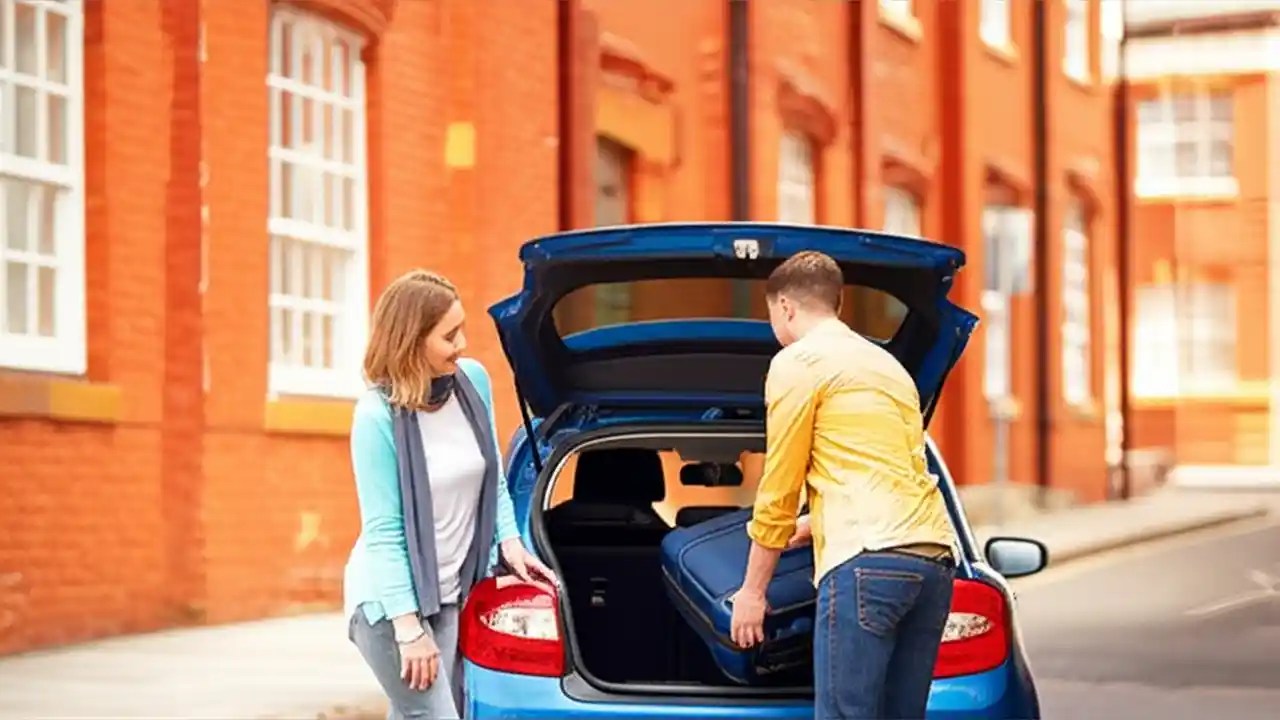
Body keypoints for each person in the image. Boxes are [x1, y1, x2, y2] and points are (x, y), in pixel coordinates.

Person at [728, 251, 957, 720]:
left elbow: (780, 484)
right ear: (838, 301)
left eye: (772, 315)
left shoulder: (800, 361)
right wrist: (815, 525)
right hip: (932, 560)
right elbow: (892, 470)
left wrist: (753, 592)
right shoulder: (888, 367)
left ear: (785, 306)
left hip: (867, 564)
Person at [343, 269, 558, 720]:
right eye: (449, 335)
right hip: (388, 606)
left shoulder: (470, 383)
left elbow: (492, 475)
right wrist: (407, 630)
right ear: (411, 341)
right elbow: (384, 532)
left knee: (415, 713)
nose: (461, 345)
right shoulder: (377, 417)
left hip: (449, 595)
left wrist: (511, 543)